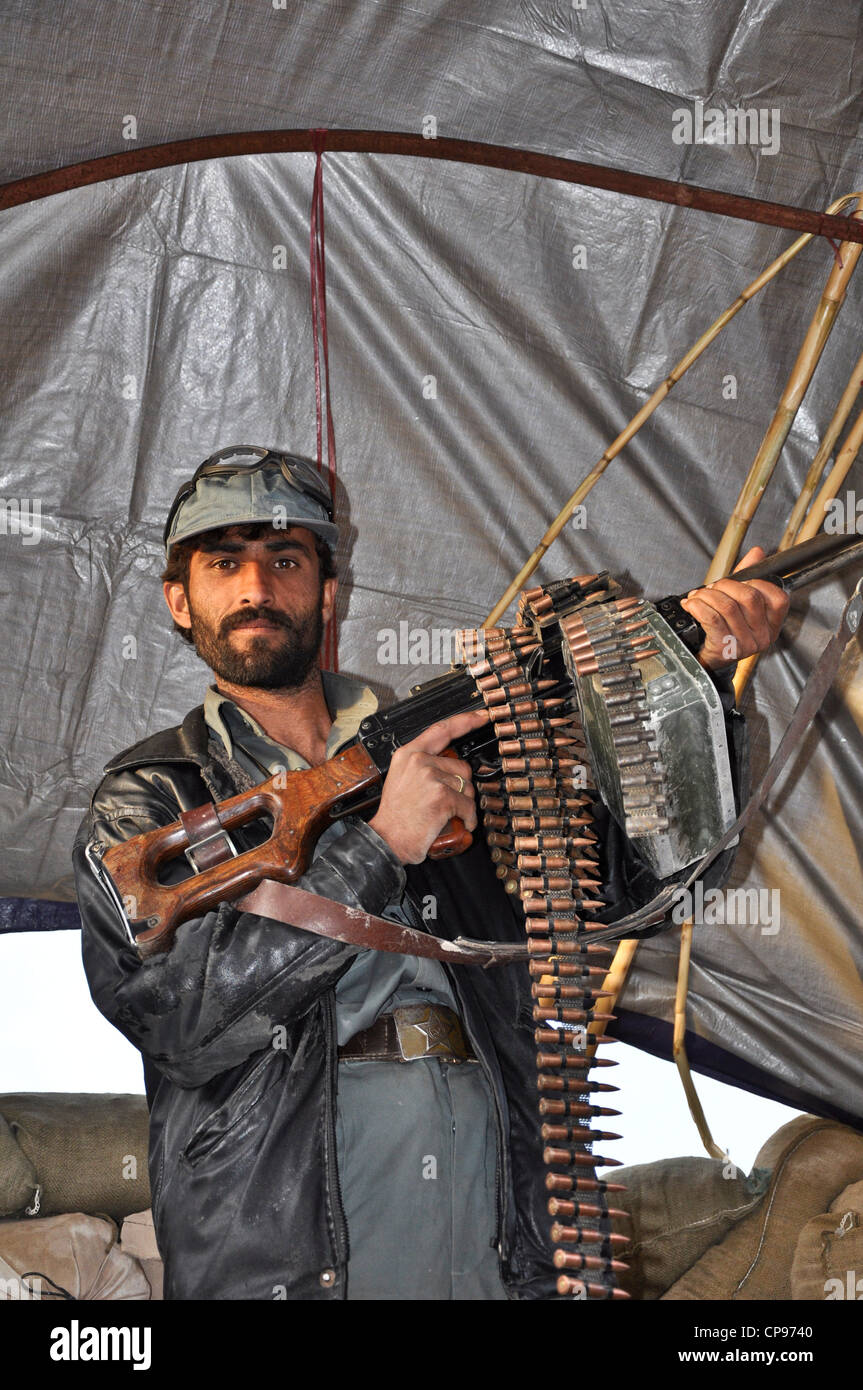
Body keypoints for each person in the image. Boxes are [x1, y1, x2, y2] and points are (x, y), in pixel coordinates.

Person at [72, 445, 789, 1301]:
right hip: (292, 1231)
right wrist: (378, 846)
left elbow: (636, 890)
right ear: (178, 600)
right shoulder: (155, 795)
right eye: (225, 564)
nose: (257, 588)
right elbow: (176, 1018)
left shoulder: (453, 755)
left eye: (286, 561)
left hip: (493, 1200)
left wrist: (689, 687)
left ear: (328, 594)